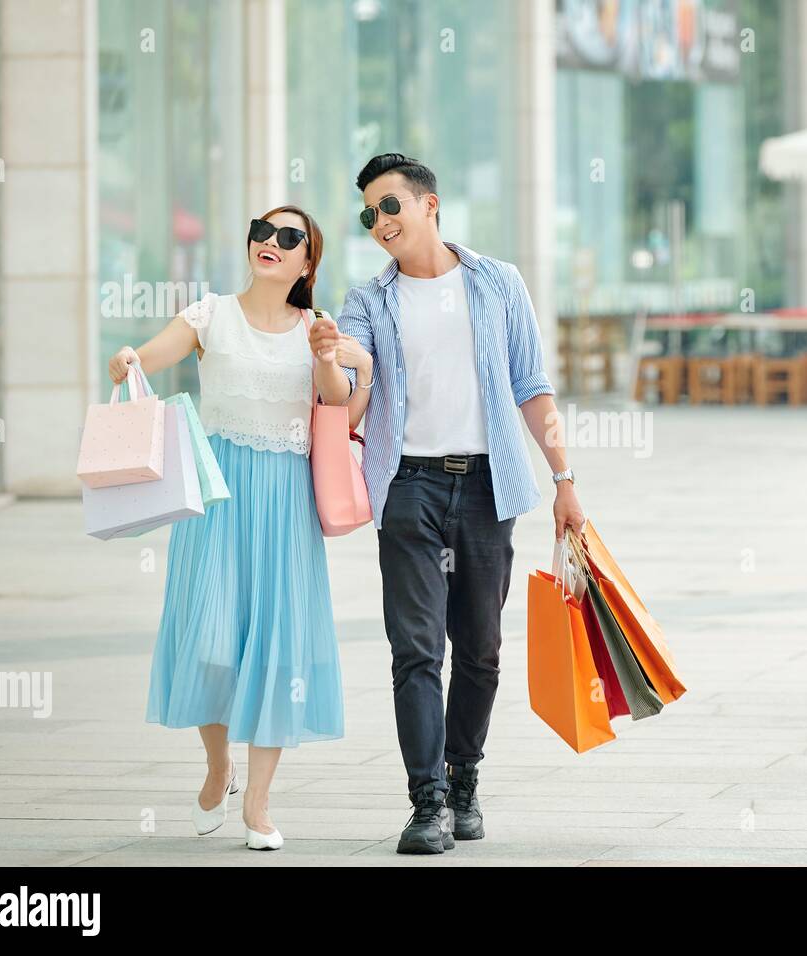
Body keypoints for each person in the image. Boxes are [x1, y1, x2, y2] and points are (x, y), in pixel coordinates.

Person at [311, 153, 586, 854]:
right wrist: (334, 362)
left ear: (430, 206)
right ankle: (427, 800)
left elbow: (532, 384)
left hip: (490, 487)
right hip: (408, 487)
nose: (380, 223)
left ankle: (465, 779)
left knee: (483, 650)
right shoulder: (367, 301)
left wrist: (564, 480)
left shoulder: (498, 283)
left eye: (390, 207)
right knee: (415, 649)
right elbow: (348, 398)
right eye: (369, 214)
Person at [110, 205, 350, 850]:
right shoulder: (209, 314)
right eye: (262, 233)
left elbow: (335, 400)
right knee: (210, 640)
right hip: (214, 498)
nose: (271, 243)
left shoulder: (316, 328)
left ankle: (260, 806)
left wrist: (327, 355)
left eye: (289, 238)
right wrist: (131, 357)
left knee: (278, 644)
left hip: (283, 502)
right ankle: (220, 766)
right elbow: (155, 355)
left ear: (307, 262)